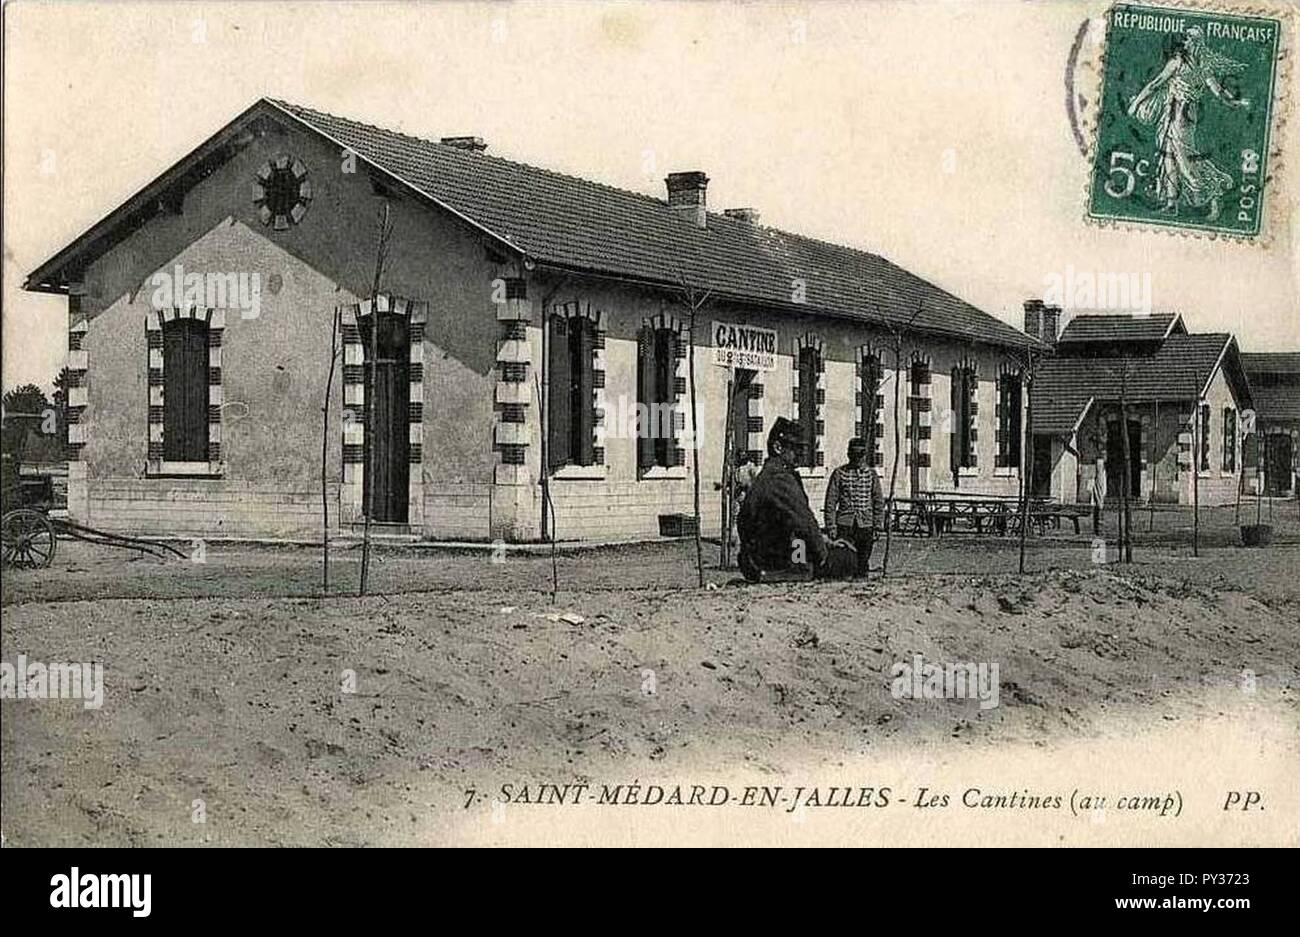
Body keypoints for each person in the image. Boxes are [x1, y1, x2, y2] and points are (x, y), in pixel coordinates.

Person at [736, 418, 856, 582]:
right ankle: (795, 571)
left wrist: (825, 540)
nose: (800, 455)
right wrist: (823, 555)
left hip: (757, 555)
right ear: (778, 448)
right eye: (795, 449)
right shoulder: (779, 479)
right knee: (848, 558)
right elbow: (804, 522)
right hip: (774, 559)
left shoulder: (769, 475)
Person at [824, 437, 884, 578]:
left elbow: (878, 501)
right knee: (846, 559)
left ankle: (861, 584)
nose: (858, 459)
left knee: (863, 560)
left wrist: (877, 525)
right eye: (854, 455)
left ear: (865, 455)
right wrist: (831, 526)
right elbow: (830, 502)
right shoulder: (840, 473)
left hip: (866, 525)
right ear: (849, 455)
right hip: (845, 525)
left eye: (861, 455)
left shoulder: (871, 475)